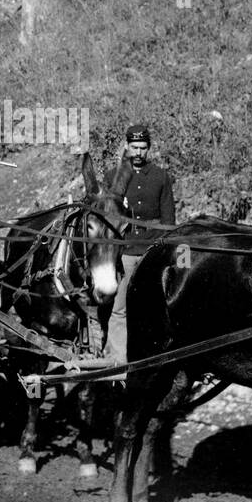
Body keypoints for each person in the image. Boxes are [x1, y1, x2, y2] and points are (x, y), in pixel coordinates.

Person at [104, 123, 176, 369]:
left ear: (149, 149)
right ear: (126, 146)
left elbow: (169, 222)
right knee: (121, 308)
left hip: (152, 253)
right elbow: (105, 221)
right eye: (134, 147)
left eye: (143, 148)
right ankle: (118, 362)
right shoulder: (112, 177)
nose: (138, 152)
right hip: (125, 252)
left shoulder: (160, 177)